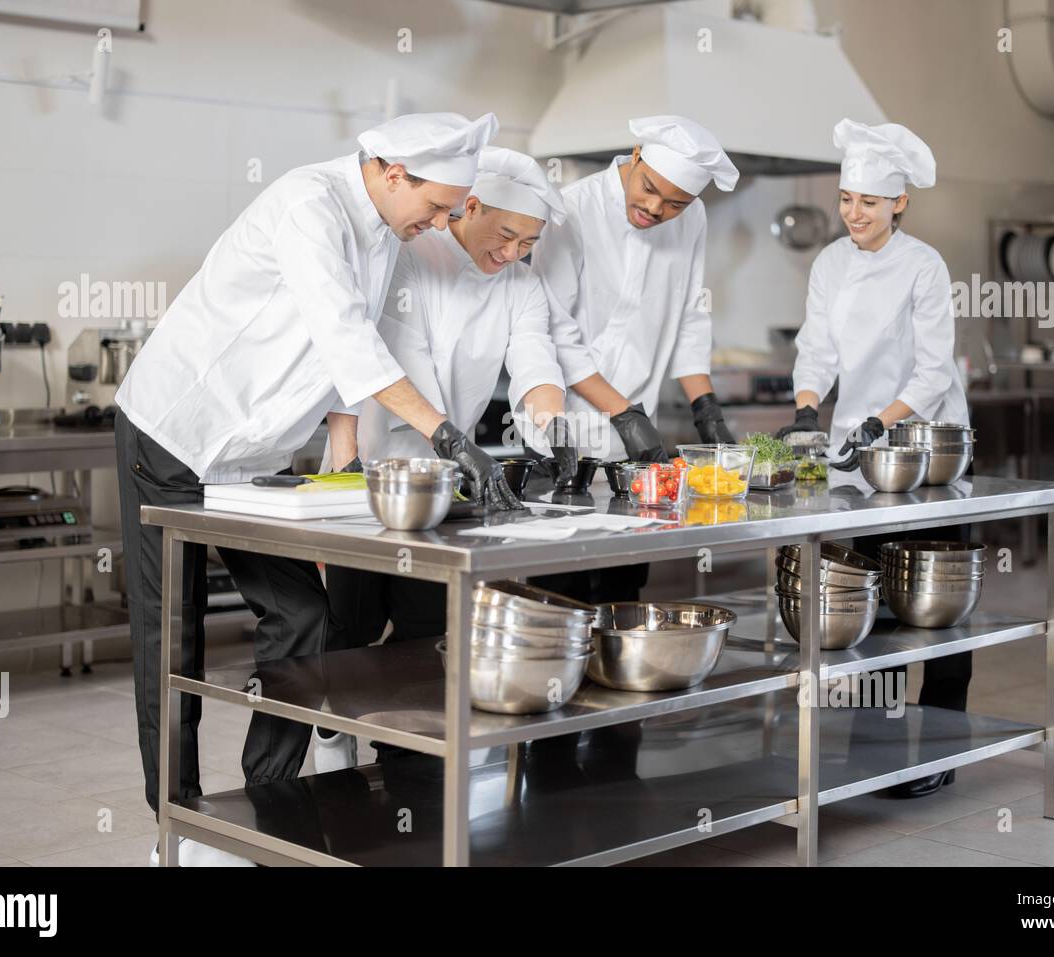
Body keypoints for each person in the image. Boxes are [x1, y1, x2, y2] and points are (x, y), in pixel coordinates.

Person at [114, 112, 522, 865]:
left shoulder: (387, 233)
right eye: (435, 206)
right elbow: (347, 337)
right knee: (172, 637)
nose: (439, 224)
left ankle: (256, 810)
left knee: (302, 619)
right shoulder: (309, 206)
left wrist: (343, 463)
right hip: (173, 431)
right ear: (392, 173)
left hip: (248, 456)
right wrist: (449, 436)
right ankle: (175, 830)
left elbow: (348, 360)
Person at [313, 146, 577, 772]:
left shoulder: (520, 282)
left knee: (424, 629)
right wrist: (455, 445)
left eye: (528, 242)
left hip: (452, 484)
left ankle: (407, 760)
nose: (512, 253)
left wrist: (554, 425)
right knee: (347, 628)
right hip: (372, 474)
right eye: (506, 235)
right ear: (472, 205)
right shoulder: (409, 256)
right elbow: (395, 371)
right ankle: (331, 739)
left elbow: (535, 360)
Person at [780, 118, 972, 798]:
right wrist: (809, 407)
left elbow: (931, 373)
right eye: (845, 198)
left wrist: (873, 422)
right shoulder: (831, 263)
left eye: (867, 200)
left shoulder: (924, 264)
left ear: (899, 202)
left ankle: (943, 745)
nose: (853, 212)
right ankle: (874, 755)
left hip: (924, 447)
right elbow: (817, 350)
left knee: (936, 606)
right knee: (876, 607)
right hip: (861, 458)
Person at [529, 115, 739, 603]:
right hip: (562, 435)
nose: (654, 208)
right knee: (562, 590)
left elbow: (690, 314)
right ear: (636, 155)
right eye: (649, 188)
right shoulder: (573, 209)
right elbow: (553, 333)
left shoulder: (693, 220)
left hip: (632, 450)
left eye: (675, 203)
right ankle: (561, 681)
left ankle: (618, 676)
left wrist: (706, 408)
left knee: (624, 589)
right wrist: (621, 411)